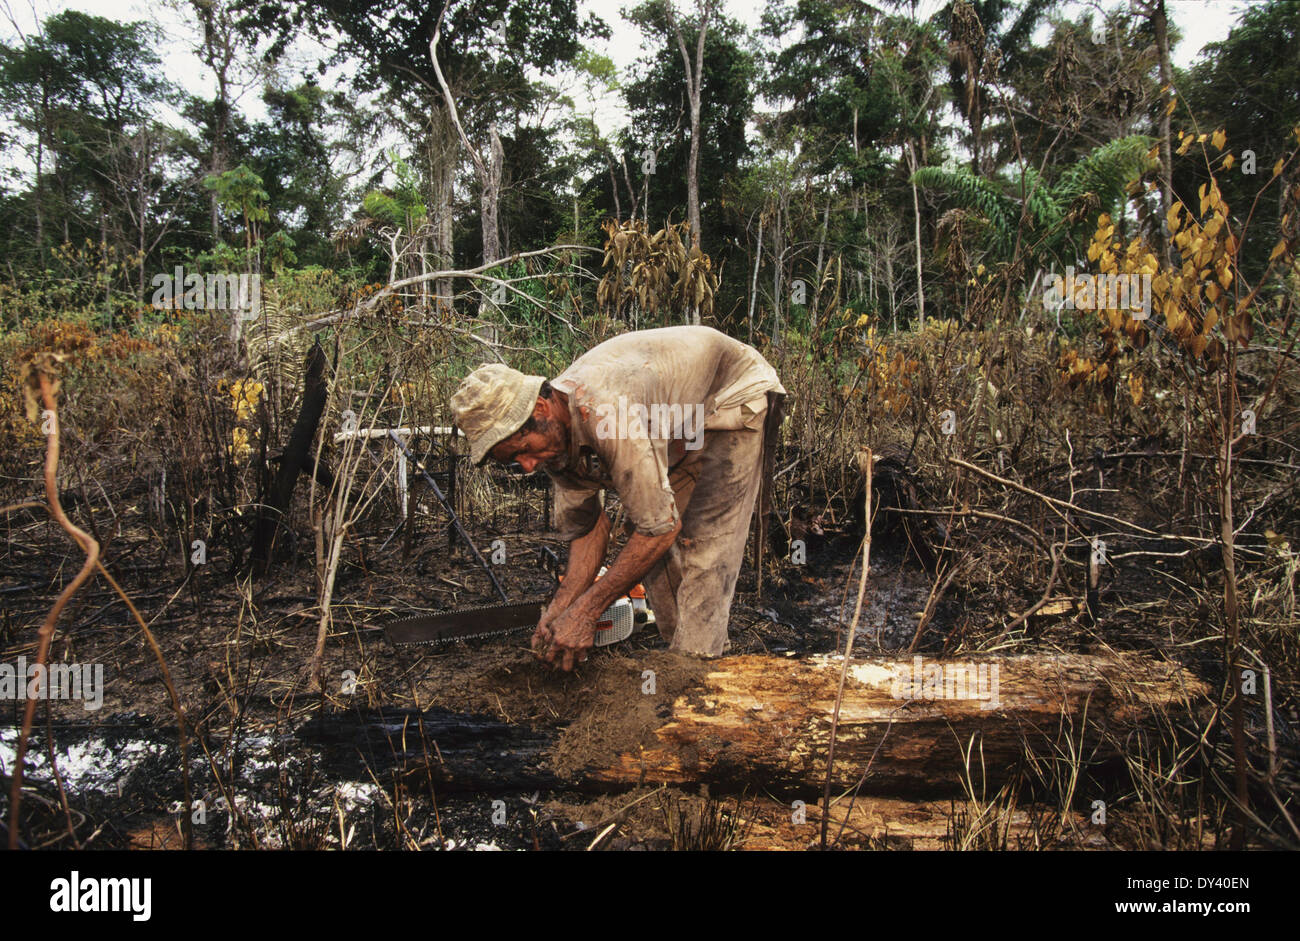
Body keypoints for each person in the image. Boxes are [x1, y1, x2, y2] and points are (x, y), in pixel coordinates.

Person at [450, 325, 785, 671]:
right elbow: (589, 530)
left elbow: (660, 529)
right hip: (677, 426)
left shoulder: (608, 413)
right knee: (649, 541)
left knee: (701, 545)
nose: (529, 466)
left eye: (523, 451)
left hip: (729, 399)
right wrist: (561, 608)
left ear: (540, 408)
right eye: (515, 462)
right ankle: (682, 656)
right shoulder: (553, 440)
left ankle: (698, 671)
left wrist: (587, 611)